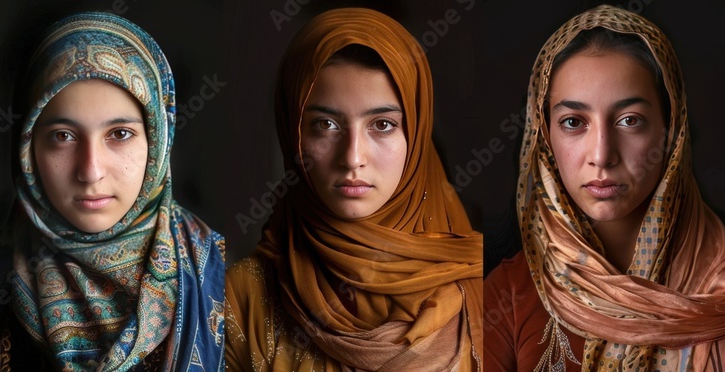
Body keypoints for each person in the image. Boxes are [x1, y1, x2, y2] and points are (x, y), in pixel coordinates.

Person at [224, 8, 483, 371]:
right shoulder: (244, 297)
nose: (353, 157)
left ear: (417, 133)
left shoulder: (490, 294)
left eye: (382, 124)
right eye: (325, 124)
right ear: (292, 132)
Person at [0, 11, 226, 371]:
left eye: (120, 134)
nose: (90, 170)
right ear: (28, 147)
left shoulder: (224, 276)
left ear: (158, 141)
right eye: (63, 136)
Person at [484, 5, 725, 371]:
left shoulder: (717, 285)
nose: (602, 154)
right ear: (544, 137)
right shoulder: (510, 296)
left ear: (671, 130)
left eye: (630, 120)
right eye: (573, 122)